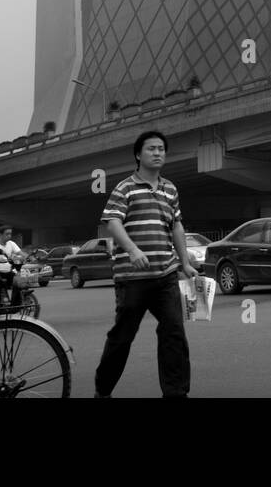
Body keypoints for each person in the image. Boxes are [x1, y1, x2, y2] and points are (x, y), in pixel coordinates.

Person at [93, 130, 200, 398]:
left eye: (161, 149)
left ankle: (176, 393)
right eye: (151, 148)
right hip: (132, 277)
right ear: (138, 155)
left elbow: (176, 226)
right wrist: (132, 249)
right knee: (122, 337)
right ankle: (102, 391)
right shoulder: (125, 187)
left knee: (174, 333)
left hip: (165, 274)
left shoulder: (170, 189)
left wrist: (185, 263)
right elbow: (112, 221)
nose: (157, 153)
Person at [0, 225, 22, 308]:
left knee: (17, 280)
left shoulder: (11, 243)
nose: (9, 236)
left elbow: (20, 253)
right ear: (0, 234)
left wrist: (30, 257)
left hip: (8, 271)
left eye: (10, 234)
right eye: (7, 234)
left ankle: (15, 304)